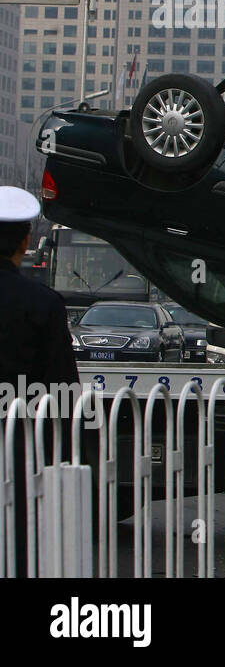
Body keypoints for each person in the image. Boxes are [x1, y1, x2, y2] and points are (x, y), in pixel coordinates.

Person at [0, 187, 79, 576]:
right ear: (25, 242)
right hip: (21, 444)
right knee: (19, 541)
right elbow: (63, 388)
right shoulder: (44, 302)